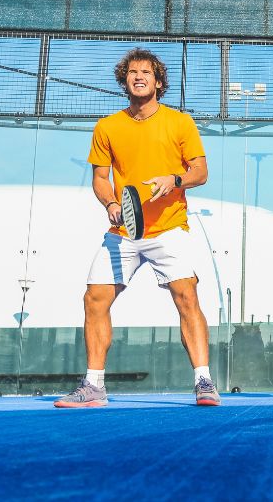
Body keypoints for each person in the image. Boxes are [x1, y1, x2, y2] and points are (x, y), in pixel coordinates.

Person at [55, 48, 220, 407]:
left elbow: (201, 172)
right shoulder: (107, 127)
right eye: (132, 72)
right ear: (124, 80)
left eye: (146, 72)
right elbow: (100, 179)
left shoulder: (180, 123)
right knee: (94, 299)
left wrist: (174, 179)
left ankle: (204, 382)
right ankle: (94, 387)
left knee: (186, 297)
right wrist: (112, 204)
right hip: (123, 233)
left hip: (169, 229)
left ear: (158, 82)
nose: (138, 76)